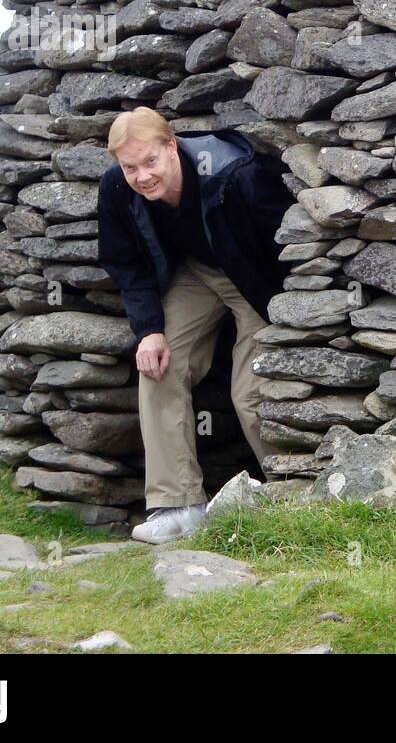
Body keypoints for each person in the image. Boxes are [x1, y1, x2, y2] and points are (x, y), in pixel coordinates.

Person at [96, 107, 292, 543]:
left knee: (252, 392)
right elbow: (124, 262)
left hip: (255, 279)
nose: (142, 176)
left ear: (172, 146)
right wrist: (149, 329)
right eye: (130, 167)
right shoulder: (116, 187)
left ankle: (292, 493)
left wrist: (290, 312)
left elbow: (286, 241)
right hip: (194, 273)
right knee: (158, 366)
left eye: (150, 161)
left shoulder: (233, 173)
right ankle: (179, 505)